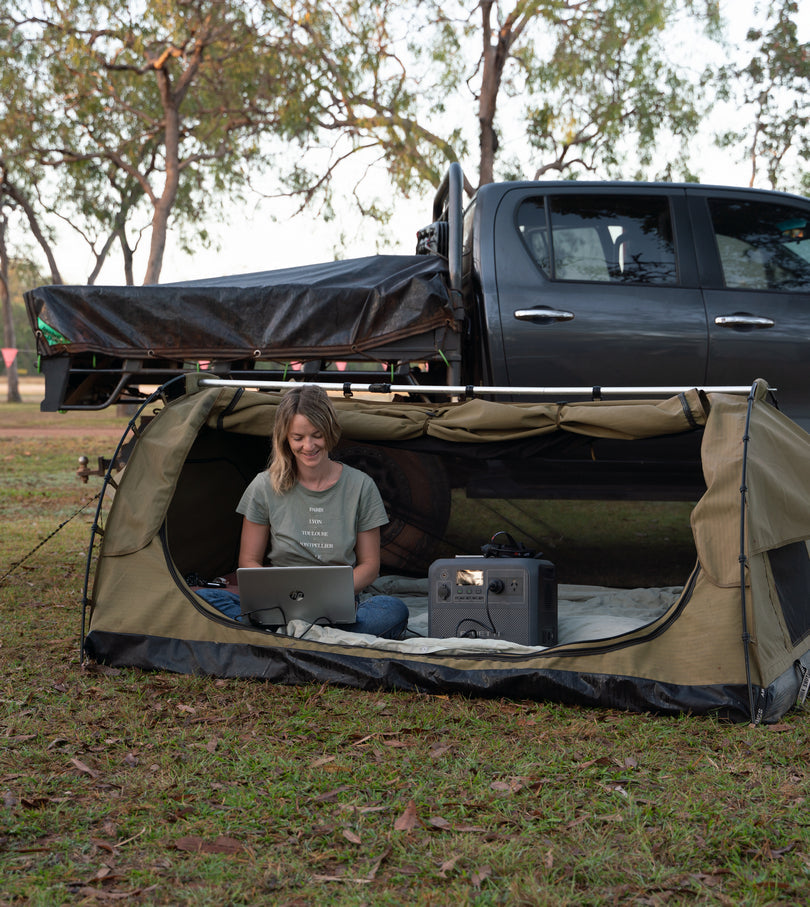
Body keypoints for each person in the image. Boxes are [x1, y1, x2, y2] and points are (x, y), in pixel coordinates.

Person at [198, 385, 409, 639]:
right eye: (298, 438)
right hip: (278, 603)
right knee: (203, 599)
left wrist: (328, 597)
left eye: (316, 435)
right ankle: (320, 637)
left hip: (339, 604)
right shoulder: (264, 486)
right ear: (285, 438)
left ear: (329, 432)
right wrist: (274, 597)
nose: (308, 446)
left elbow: (370, 565)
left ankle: (282, 636)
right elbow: (249, 561)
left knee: (392, 610)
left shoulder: (361, 485)